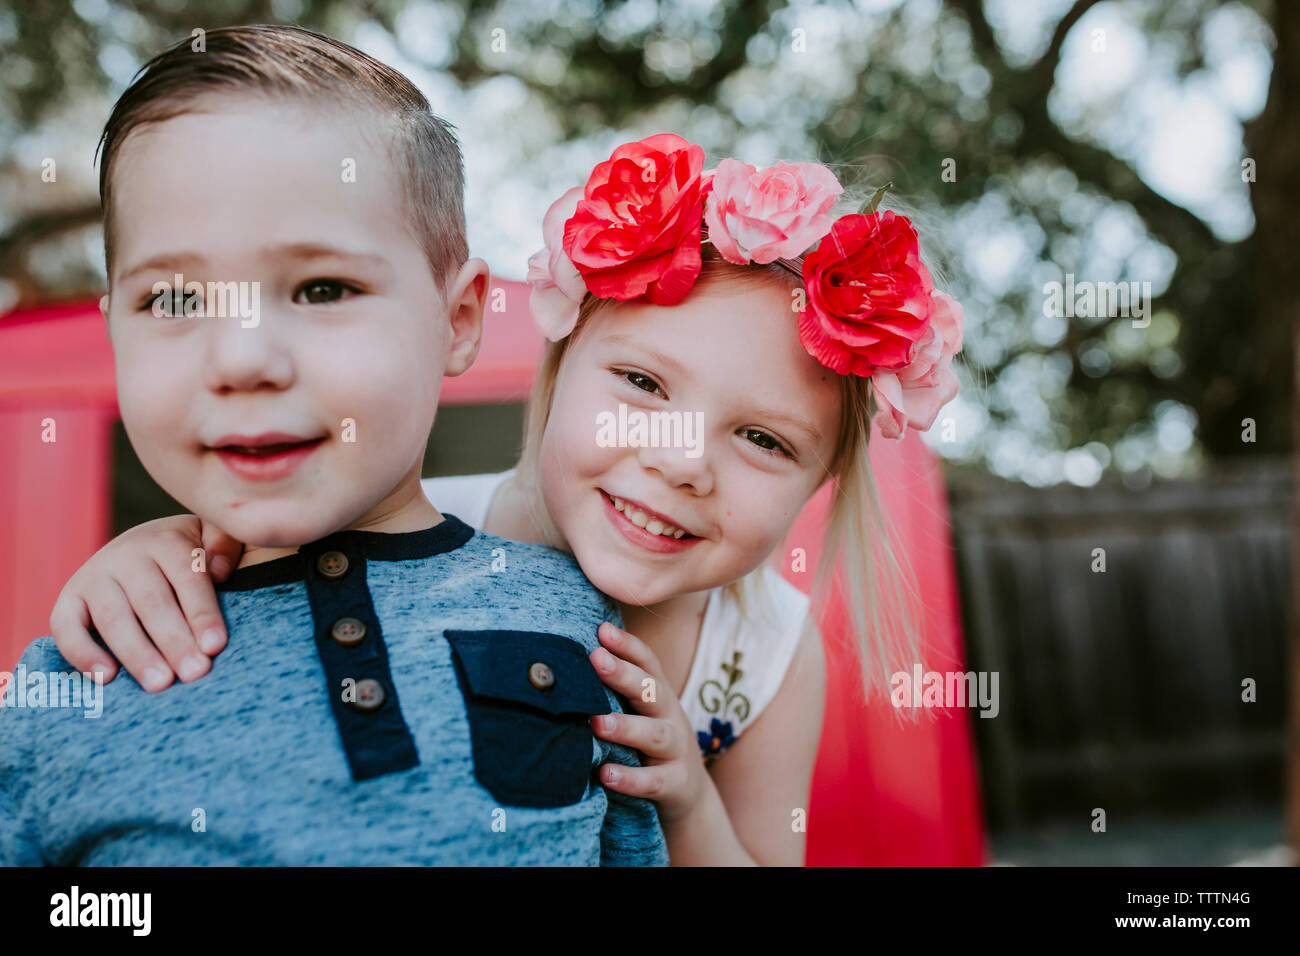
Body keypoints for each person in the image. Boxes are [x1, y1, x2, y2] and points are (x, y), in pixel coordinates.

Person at [47, 134, 965, 865]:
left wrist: (686, 800)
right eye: (643, 384)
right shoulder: (401, 530)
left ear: (823, 480)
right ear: (560, 370)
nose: (685, 463)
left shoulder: (762, 651)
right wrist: (151, 550)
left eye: (763, 439)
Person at [0, 24, 668, 867]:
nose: (242, 358)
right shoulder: (77, 674)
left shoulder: (579, 617)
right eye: (173, 301)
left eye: (322, 288)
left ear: (458, 320)